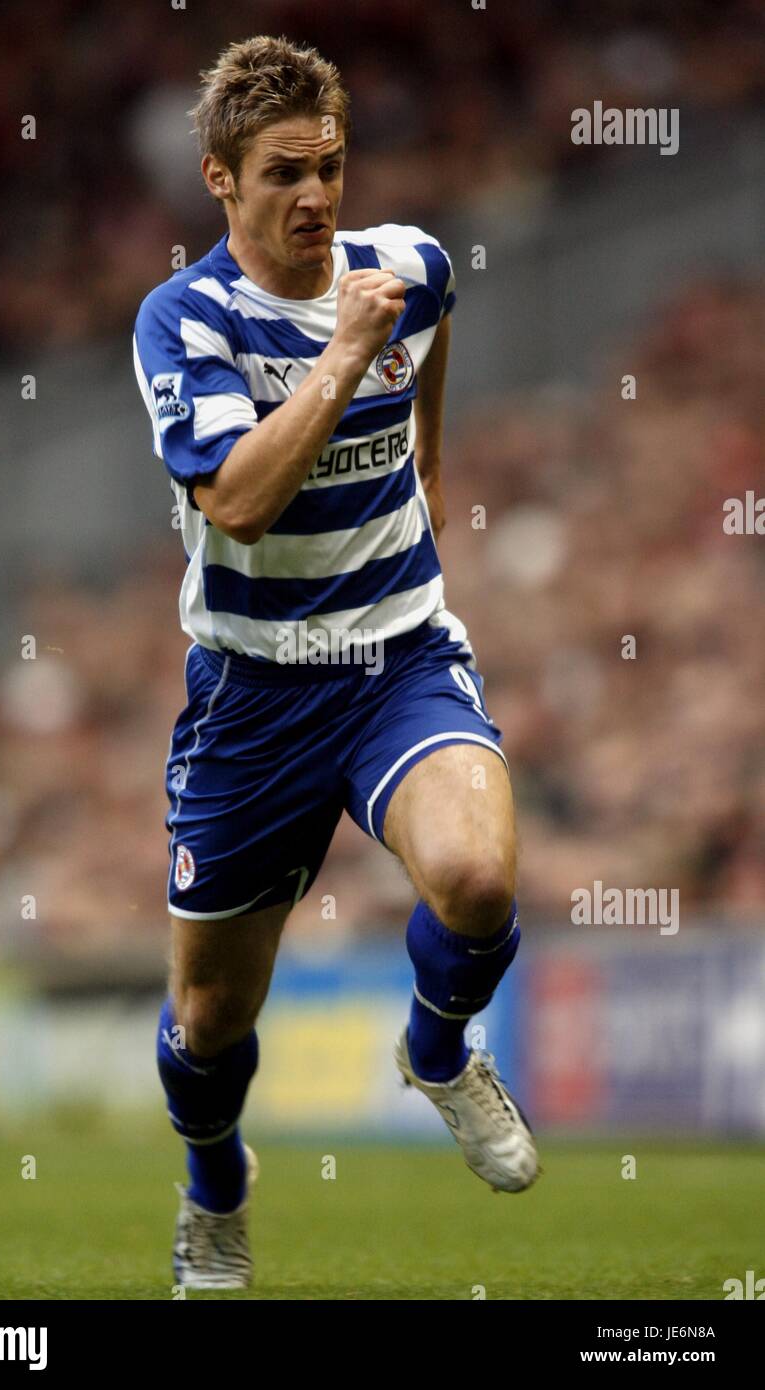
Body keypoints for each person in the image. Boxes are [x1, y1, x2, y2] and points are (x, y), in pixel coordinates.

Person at [133, 35, 539, 1292]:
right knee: (209, 1025)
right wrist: (343, 359)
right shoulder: (185, 319)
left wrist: (425, 461)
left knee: (473, 877)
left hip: (396, 657)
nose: (315, 197)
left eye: (330, 167)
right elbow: (241, 502)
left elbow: (433, 331)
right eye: (281, 176)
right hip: (254, 693)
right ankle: (214, 1185)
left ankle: (434, 1049)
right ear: (218, 179)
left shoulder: (404, 267)